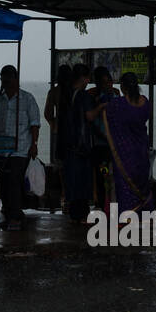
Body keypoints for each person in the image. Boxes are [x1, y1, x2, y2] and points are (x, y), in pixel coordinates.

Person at [87, 72, 154, 213]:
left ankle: (126, 216)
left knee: (125, 185)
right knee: (142, 183)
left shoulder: (118, 104)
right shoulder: (145, 102)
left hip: (124, 153)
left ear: (122, 87)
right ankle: (143, 213)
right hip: (141, 151)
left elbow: (94, 116)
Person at [0, 64, 41, 231]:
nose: (4, 82)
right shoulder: (2, 98)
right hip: (2, 150)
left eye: (6, 79)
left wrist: (34, 144)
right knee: (3, 182)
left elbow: (35, 124)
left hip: (20, 149)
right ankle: (11, 214)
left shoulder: (27, 99)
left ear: (15, 79)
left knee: (13, 182)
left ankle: (15, 218)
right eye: (2, 79)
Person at [61, 63, 94, 223]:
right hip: (82, 145)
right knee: (83, 181)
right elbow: (89, 116)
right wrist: (101, 107)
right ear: (83, 78)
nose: (88, 81)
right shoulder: (83, 95)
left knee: (73, 180)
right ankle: (82, 215)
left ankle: (75, 213)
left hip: (69, 142)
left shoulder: (66, 93)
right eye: (88, 78)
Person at [88, 66, 118, 210]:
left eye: (109, 82)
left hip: (115, 146)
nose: (108, 85)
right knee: (103, 175)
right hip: (102, 146)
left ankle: (111, 203)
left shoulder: (116, 96)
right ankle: (101, 203)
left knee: (113, 176)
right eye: (104, 82)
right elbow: (94, 123)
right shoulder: (94, 98)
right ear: (98, 84)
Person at [43, 64, 74, 169]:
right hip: (75, 131)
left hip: (59, 130)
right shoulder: (76, 91)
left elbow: (47, 114)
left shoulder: (54, 92)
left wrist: (53, 125)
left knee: (60, 163)